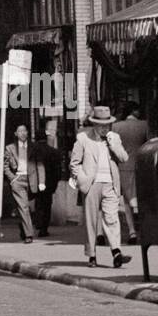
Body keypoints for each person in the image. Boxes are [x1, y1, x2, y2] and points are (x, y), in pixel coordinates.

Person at [70, 106, 130, 269]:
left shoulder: (114, 137)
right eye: (101, 125)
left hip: (110, 183)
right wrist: (82, 179)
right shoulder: (83, 138)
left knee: (112, 218)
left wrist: (113, 145)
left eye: (107, 125)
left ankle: (116, 252)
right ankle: (92, 255)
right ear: (94, 125)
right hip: (92, 184)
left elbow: (124, 158)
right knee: (91, 221)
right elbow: (74, 163)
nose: (105, 129)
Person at [111, 103, 150, 242]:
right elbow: (149, 145)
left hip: (123, 166)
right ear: (135, 111)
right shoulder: (144, 125)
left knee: (127, 201)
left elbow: (113, 149)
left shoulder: (116, 127)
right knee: (142, 198)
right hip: (141, 165)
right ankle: (145, 230)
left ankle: (132, 231)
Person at [2, 124, 41, 243]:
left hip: (32, 180)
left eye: (25, 131)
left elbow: (39, 164)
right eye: (20, 131)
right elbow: (5, 165)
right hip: (18, 180)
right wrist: (12, 178)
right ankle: (29, 235)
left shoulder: (34, 147)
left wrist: (41, 181)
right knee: (24, 207)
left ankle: (23, 229)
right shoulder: (10, 148)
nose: (23, 133)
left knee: (26, 208)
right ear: (15, 134)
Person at [31, 129, 63, 238]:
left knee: (38, 203)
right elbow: (58, 169)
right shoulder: (53, 151)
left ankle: (38, 223)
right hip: (49, 183)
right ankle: (44, 228)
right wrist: (56, 182)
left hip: (36, 182)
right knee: (47, 204)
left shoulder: (33, 151)